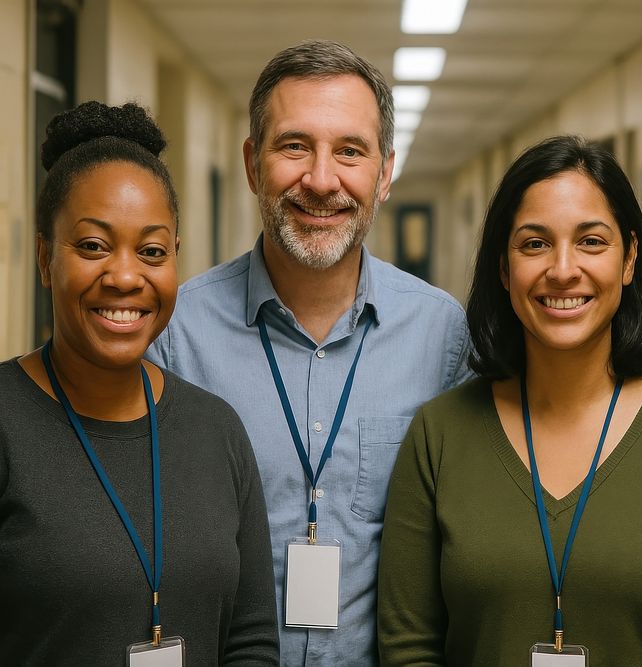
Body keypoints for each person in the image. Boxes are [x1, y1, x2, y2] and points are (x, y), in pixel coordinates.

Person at [378, 135, 642, 665]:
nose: (562, 269)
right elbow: (409, 647)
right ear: (502, 268)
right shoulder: (440, 434)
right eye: (534, 244)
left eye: (591, 242)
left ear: (629, 259)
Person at [147, 40, 472, 664]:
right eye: (295, 146)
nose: (322, 180)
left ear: (384, 173)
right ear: (251, 163)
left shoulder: (443, 338)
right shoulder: (177, 335)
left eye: (350, 151)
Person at [0, 101, 278, 665]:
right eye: (93, 246)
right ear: (45, 258)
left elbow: (250, 638)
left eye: (151, 251)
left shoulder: (216, 429)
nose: (125, 276)